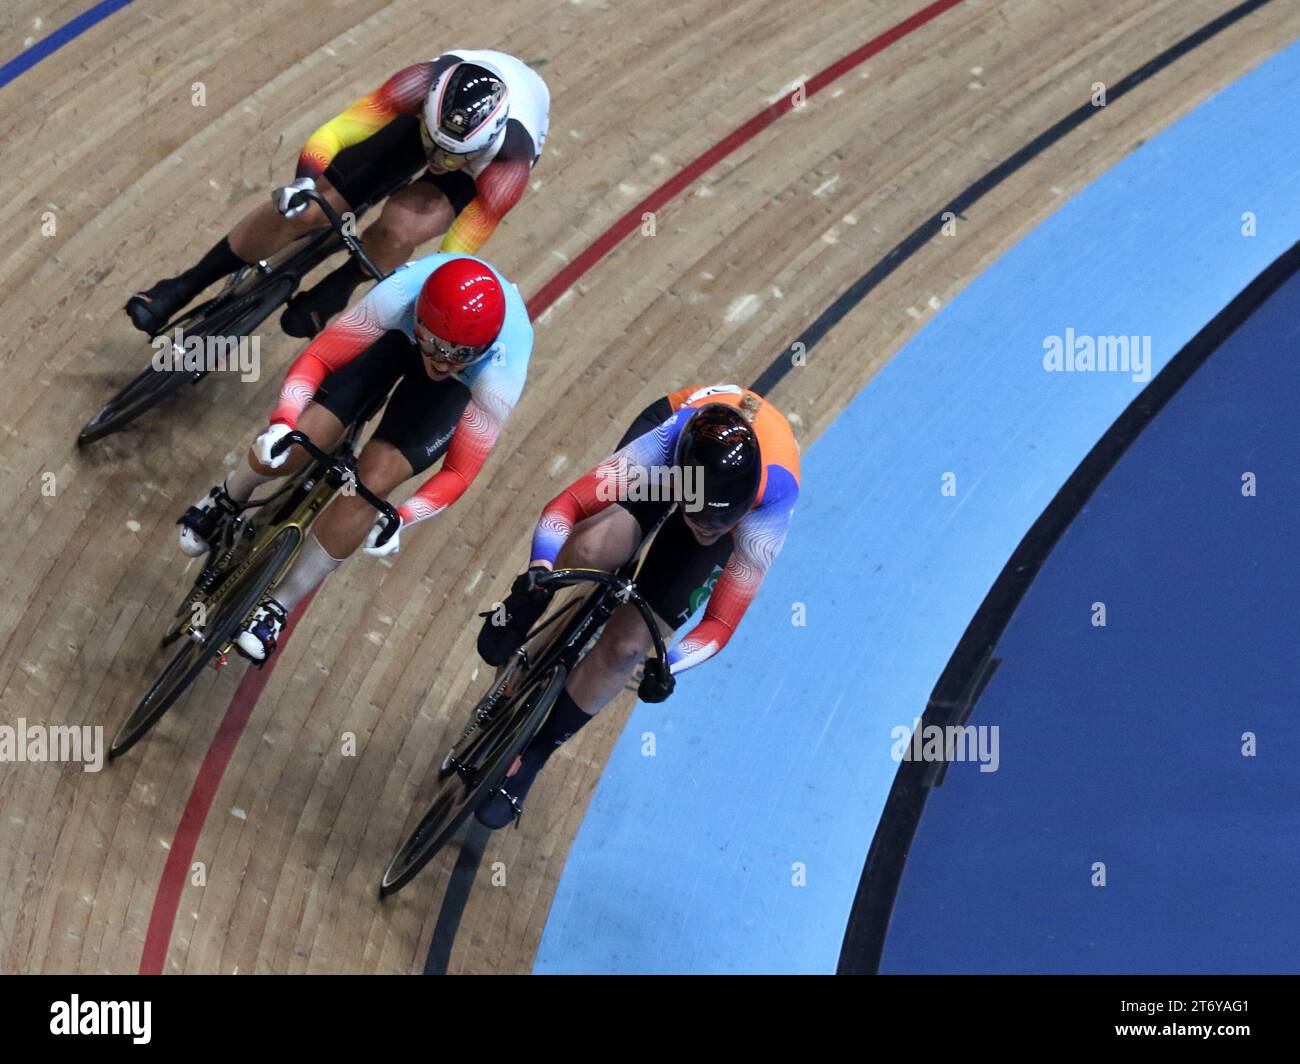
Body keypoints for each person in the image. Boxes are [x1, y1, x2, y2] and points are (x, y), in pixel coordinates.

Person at [176, 253, 532, 662]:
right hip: (397, 339)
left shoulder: (500, 375)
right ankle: (227, 496)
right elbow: (319, 358)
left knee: (373, 485)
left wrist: (403, 515)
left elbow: (459, 469)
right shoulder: (399, 296)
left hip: (453, 388)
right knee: (301, 439)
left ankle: (279, 607)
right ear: (420, 315)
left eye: (458, 355)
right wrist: (282, 420)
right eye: (436, 346)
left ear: (484, 350)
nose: (441, 360)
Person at [473, 384, 801, 827]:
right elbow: (567, 505)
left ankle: (535, 755)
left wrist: (669, 665)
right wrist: (539, 567)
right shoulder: (667, 444)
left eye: (720, 524)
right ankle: (534, 599)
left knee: (629, 646)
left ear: (744, 512)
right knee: (593, 550)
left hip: (719, 489)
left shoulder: (772, 504)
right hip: (671, 459)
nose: (705, 530)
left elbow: (721, 622)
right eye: (696, 516)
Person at [126, 51, 548, 339]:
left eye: (450, 156)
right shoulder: (418, 85)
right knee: (305, 211)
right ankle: (183, 286)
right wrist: (305, 180)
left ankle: (338, 285)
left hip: (486, 155)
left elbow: (452, 255)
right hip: (428, 122)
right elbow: (336, 132)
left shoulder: (507, 168)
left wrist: (414, 283)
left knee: (400, 230)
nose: (437, 160)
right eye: (433, 145)